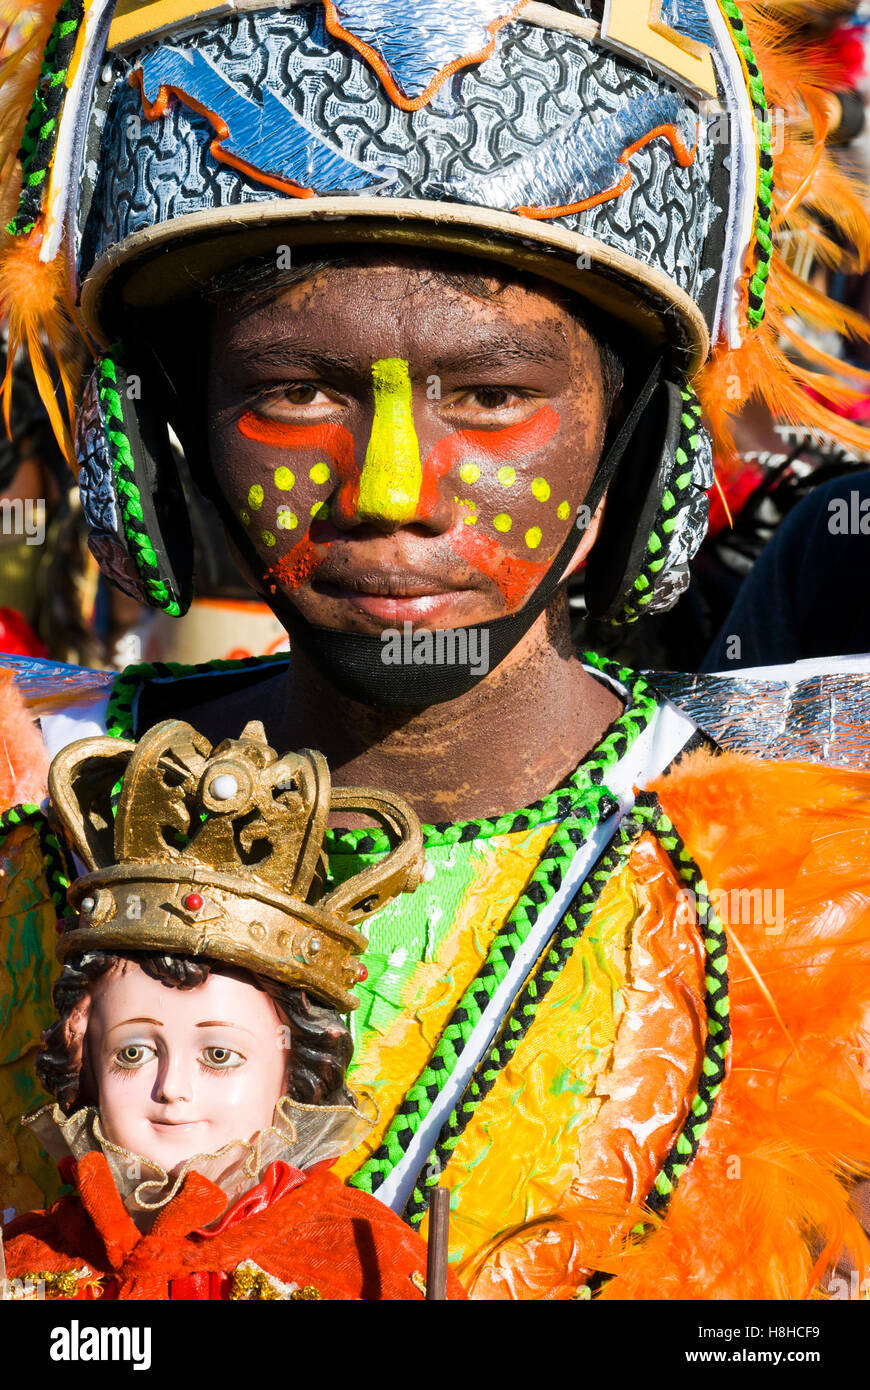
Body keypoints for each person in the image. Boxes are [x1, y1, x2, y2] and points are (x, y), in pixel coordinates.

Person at [0, 0, 869, 1300]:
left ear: (631, 448)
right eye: (297, 390)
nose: (393, 487)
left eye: (493, 395)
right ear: (169, 435)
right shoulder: (43, 830)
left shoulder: (809, 918)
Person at [1, 716, 465, 1300]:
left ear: (292, 1066)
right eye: (133, 1052)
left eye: (219, 1053)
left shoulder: (365, 1264)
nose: (173, 1089)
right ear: (84, 1060)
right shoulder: (29, 1264)